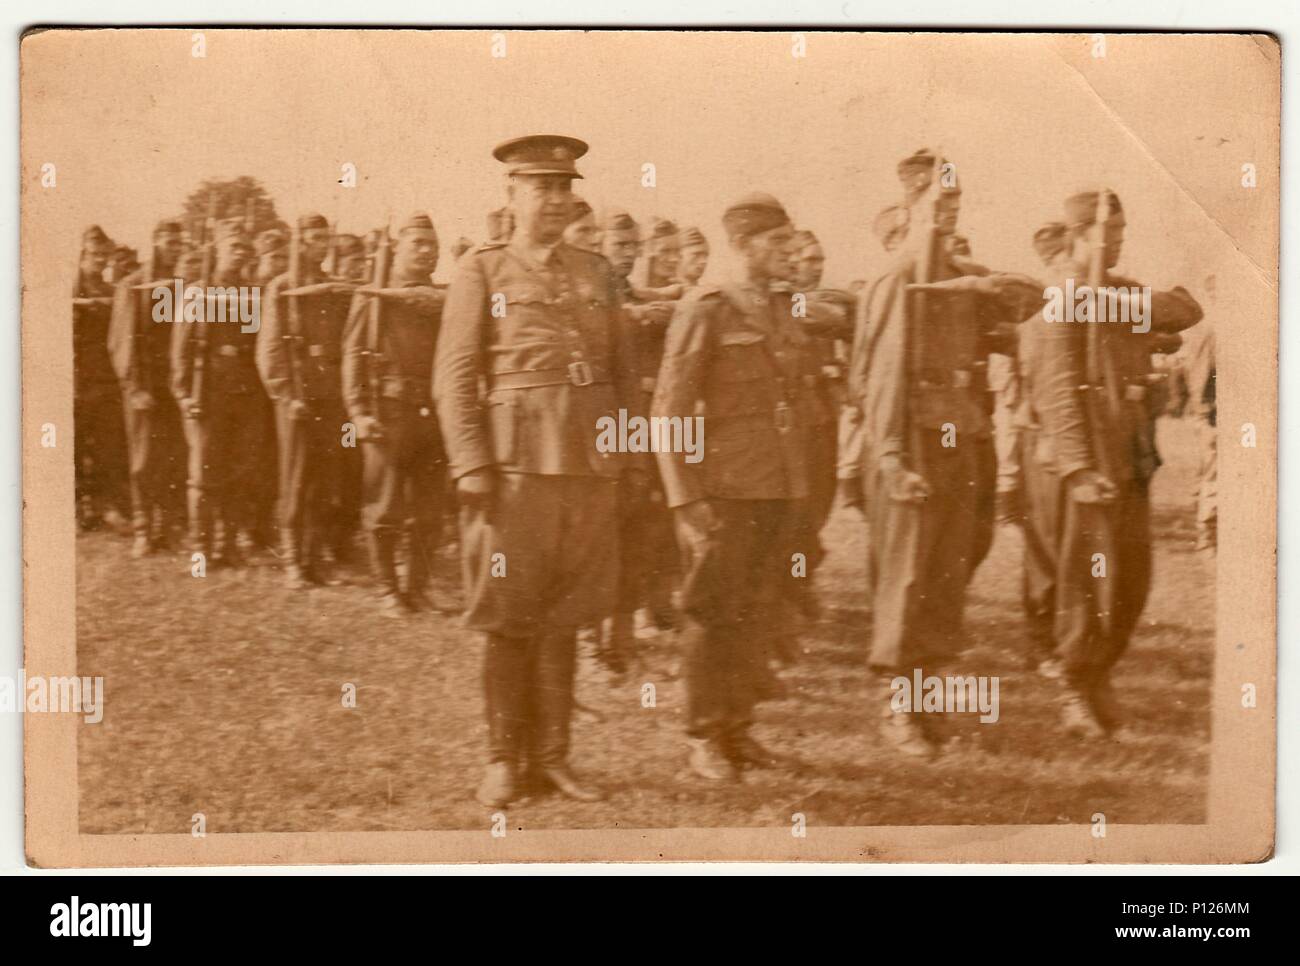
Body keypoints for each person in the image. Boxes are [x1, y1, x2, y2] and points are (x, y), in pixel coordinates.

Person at [435, 135, 643, 807]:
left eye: (564, 188)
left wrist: (626, 452)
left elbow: (623, 373)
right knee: (507, 613)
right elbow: (456, 374)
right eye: (541, 187)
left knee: (568, 613)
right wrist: (471, 461)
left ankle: (553, 759)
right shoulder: (482, 270)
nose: (556, 200)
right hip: (514, 467)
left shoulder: (598, 271)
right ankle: (502, 759)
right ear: (512, 195)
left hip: (587, 465)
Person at [849, 150, 1037, 756]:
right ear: (911, 204)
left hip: (963, 442)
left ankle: (925, 698)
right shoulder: (895, 279)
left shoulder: (965, 276)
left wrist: (992, 285)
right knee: (906, 578)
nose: (949, 212)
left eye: (955, 200)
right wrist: (891, 461)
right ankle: (896, 710)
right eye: (937, 202)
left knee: (945, 574)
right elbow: (879, 380)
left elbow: (1025, 310)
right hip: (912, 448)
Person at [1019, 188, 1202, 735]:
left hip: (1128, 458)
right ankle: (1078, 689)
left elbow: (1187, 308)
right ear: (1077, 236)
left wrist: (1111, 303)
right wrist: (1076, 470)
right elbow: (1055, 392)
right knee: (1087, 585)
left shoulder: (1111, 293)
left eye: (1122, 233)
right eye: (1109, 235)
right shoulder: (1058, 298)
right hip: (1088, 465)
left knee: (1129, 581)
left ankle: (1098, 677)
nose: (1119, 243)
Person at [651, 192, 809, 781]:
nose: (788, 252)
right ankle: (703, 736)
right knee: (713, 614)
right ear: (742, 246)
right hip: (722, 488)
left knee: (756, 610)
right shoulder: (706, 310)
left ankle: (738, 727)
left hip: (775, 483)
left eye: (789, 241)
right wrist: (684, 497)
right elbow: (669, 408)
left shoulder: (782, 307)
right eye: (776, 243)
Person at [343, 214, 448, 614]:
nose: (427, 252)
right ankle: (388, 590)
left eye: (432, 246)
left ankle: (417, 588)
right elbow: (353, 355)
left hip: (433, 415)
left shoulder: (442, 300)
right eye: (418, 244)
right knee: (384, 506)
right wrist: (358, 412)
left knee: (430, 510)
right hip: (388, 411)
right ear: (397, 250)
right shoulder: (373, 298)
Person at [258, 214, 357, 587]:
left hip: (330, 396)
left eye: (324, 239)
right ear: (300, 243)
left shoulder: (332, 287)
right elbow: (269, 348)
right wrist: (285, 394)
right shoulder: (282, 287)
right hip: (298, 397)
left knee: (324, 479)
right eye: (314, 239)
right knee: (297, 480)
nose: (321, 246)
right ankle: (293, 562)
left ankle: (314, 558)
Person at [169, 220, 266, 564]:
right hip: (207, 390)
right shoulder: (197, 291)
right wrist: (183, 394)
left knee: (240, 468)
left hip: (244, 390)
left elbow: (257, 343)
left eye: (243, 248)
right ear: (218, 250)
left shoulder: (252, 292)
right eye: (232, 247)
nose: (239, 254)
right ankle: (200, 547)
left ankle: (227, 545)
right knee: (203, 471)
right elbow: (181, 348)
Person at [107, 219, 188, 557]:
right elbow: (120, 341)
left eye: (178, 243)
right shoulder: (134, 285)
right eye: (169, 242)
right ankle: (142, 528)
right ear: (155, 242)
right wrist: (134, 386)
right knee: (143, 462)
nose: (174, 248)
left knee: (173, 457)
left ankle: (166, 527)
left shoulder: (182, 284)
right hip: (144, 385)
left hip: (175, 384)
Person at [73, 225, 130, 533]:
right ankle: (81, 510)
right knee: (77, 449)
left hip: (105, 382)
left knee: (110, 449)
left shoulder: (111, 290)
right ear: (83, 254)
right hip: (75, 382)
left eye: (104, 256)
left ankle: (110, 508)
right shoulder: (68, 288)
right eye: (95, 254)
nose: (100, 260)